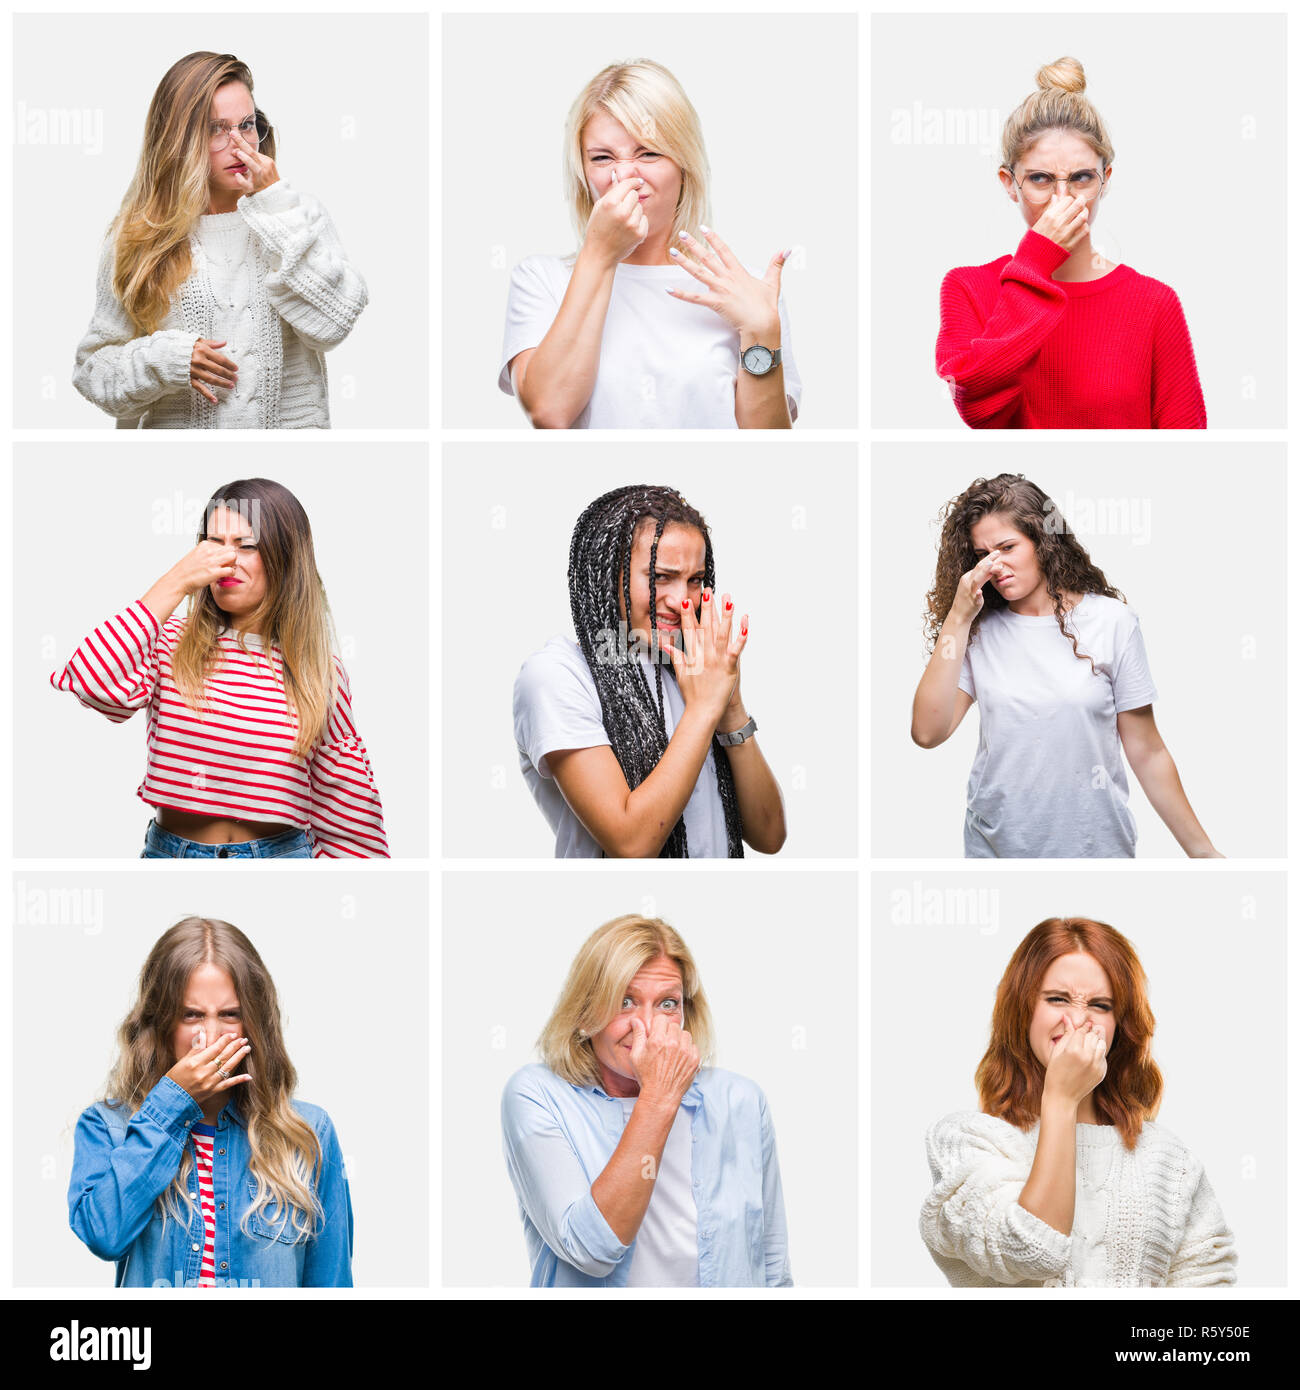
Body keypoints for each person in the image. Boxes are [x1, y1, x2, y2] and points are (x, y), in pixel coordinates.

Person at [51, 476, 389, 858]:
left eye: (246, 546)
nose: (225, 560)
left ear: (285, 556)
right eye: (213, 544)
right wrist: (176, 581)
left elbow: (348, 811)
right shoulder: (168, 641)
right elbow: (91, 683)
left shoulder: (320, 671)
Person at [910, 472, 1220, 858]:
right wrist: (957, 617)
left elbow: (1147, 751)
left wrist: (1203, 853)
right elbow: (927, 732)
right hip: (995, 851)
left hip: (1095, 848)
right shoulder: (978, 630)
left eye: (1007, 547)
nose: (994, 566)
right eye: (981, 555)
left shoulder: (1113, 622)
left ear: (1042, 540)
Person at [920, 916, 1236, 1287]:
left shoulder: (1168, 1159)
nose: (1078, 1021)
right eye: (1057, 999)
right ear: (1022, 1010)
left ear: (1121, 1026)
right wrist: (1061, 1099)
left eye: (1100, 1006)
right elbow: (1031, 1251)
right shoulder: (970, 1142)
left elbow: (1208, 1283)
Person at [499, 58, 801, 428]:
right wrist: (600, 253)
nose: (624, 175)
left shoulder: (745, 292)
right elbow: (549, 414)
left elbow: (766, 450)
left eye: (649, 153)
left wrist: (761, 332)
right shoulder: (541, 280)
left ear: (684, 164)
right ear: (583, 172)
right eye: (602, 157)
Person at [73, 51, 366, 429]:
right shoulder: (139, 236)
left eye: (246, 124)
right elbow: (93, 371)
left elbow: (332, 325)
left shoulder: (296, 215)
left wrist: (276, 207)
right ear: (178, 139)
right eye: (215, 129)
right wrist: (167, 359)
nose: (239, 144)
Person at [501, 914, 792, 1287]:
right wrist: (658, 1095)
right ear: (585, 1012)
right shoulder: (536, 1094)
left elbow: (773, 1267)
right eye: (625, 1001)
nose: (648, 1026)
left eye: (668, 1004)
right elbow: (590, 1250)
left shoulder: (742, 1100)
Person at [68, 916, 353, 1287]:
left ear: (253, 1023)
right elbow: (103, 1235)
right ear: (162, 1022)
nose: (211, 1035)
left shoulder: (310, 1133)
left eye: (230, 1015)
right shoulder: (108, 1127)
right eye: (192, 1015)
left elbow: (332, 1284)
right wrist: (172, 1103)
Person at [513, 484, 786, 857]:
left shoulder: (689, 670)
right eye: (661, 577)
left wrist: (730, 707)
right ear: (609, 574)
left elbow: (769, 836)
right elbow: (632, 843)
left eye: (695, 580)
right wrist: (704, 708)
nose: (682, 600)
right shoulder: (557, 675)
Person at [935, 57, 1205, 429]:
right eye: (1041, 179)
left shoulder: (1155, 303)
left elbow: (1187, 451)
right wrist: (1036, 262)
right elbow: (979, 407)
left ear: (1105, 178)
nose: (1063, 199)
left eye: (1081, 178)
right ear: (1009, 183)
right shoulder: (967, 288)